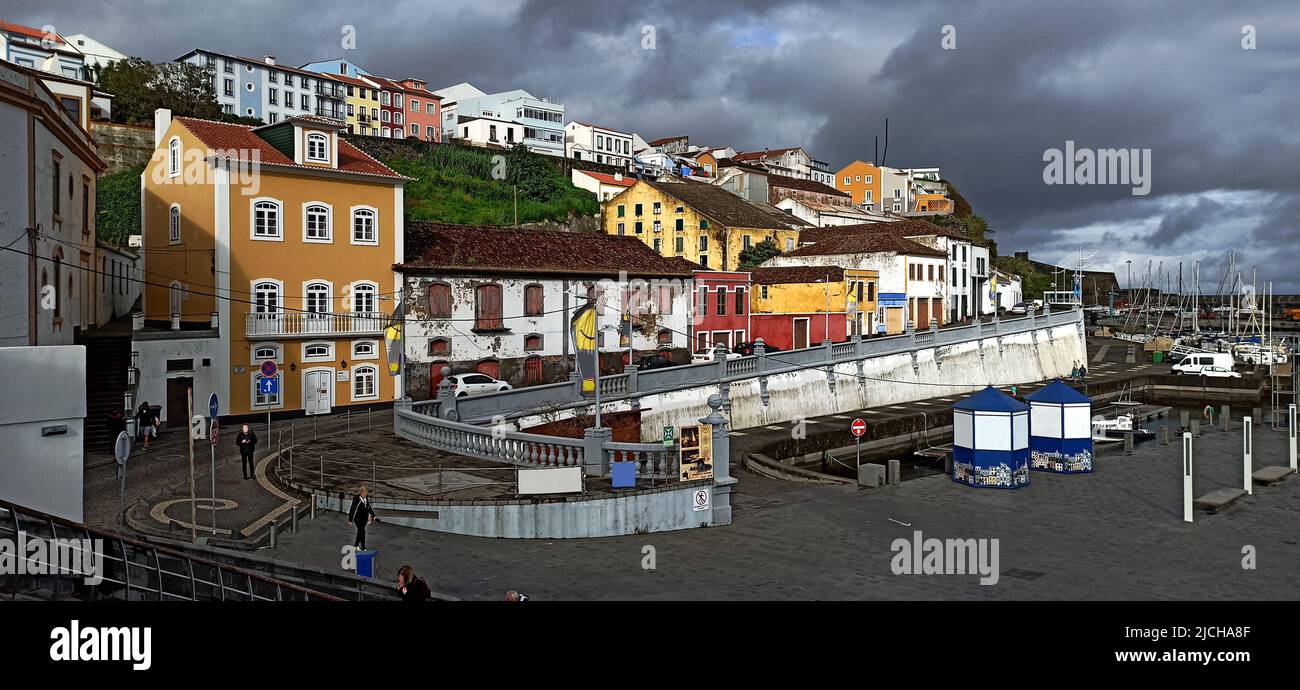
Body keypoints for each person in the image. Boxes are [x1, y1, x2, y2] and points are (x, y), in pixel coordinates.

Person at [348, 485, 376, 551]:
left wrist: (373, 516)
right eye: (366, 492)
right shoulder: (356, 499)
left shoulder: (366, 498)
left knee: (360, 532)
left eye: (367, 492)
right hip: (357, 519)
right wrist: (350, 519)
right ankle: (363, 547)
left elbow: (369, 508)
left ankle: (356, 545)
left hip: (364, 519)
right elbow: (352, 509)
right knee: (362, 532)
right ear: (362, 492)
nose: (366, 494)